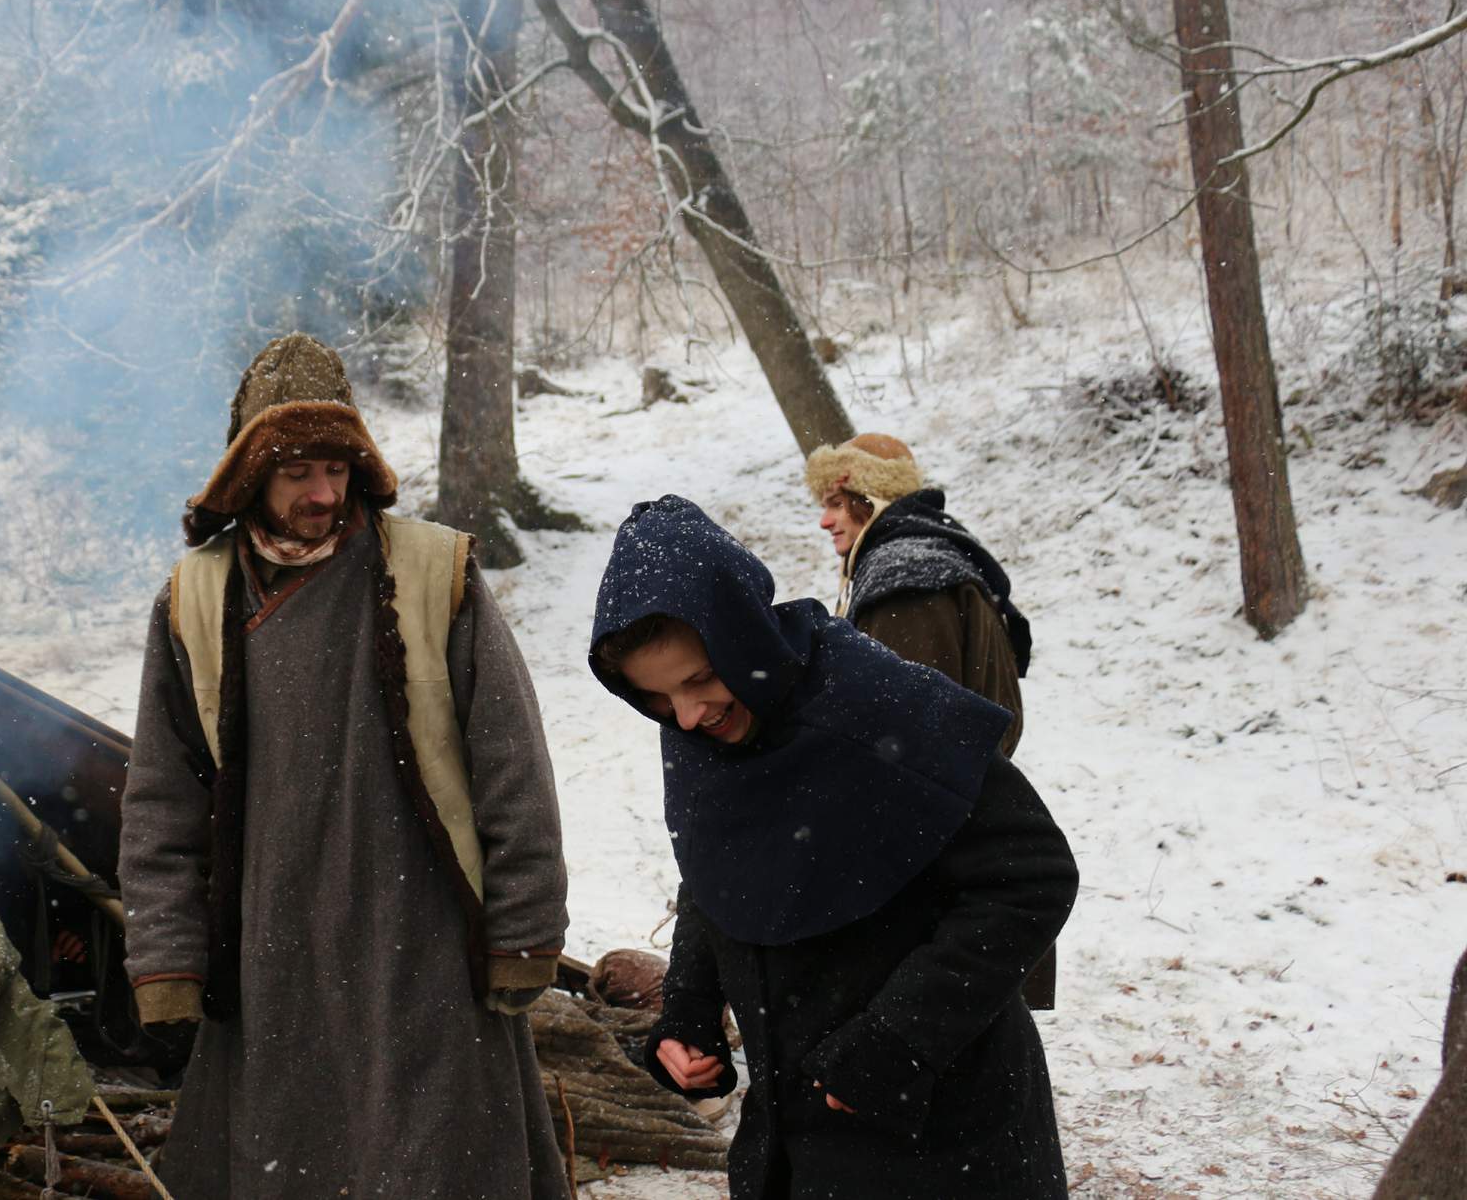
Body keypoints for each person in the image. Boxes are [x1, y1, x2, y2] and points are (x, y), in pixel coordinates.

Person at [118, 333, 570, 1198]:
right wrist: (168, 955)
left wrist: (522, 929)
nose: (322, 492)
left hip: (427, 936)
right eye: (296, 472)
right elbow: (163, 800)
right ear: (250, 476)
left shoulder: (438, 573)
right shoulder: (196, 600)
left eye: (335, 466)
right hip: (273, 951)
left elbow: (513, 766)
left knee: (440, 1161)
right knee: (284, 1165)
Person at [589, 495, 1076, 1200]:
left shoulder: (877, 701)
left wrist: (896, 1042)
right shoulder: (703, 731)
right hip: (793, 1141)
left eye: (700, 679)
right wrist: (689, 1015)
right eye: (660, 699)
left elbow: (1030, 874)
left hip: (945, 1139)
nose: (689, 715)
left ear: (742, 636)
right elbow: (714, 867)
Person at [807, 432, 1056, 1009]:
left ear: (871, 500)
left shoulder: (907, 586)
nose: (824, 521)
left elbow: (905, 743)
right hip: (953, 840)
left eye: (836, 504)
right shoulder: (930, 562)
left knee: (929, 1032)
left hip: (931, 860)